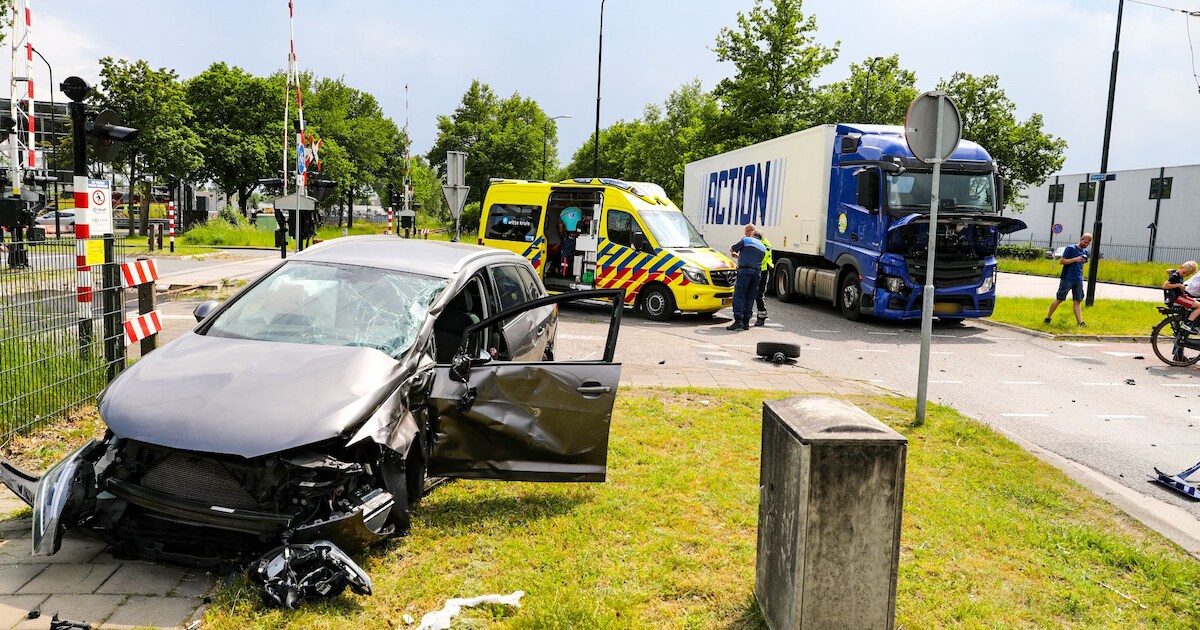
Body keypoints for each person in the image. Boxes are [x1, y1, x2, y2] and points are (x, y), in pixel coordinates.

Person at [1044, 233, 1092, 327]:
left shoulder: (1085, 252)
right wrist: (1075, 259)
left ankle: (1080, 322)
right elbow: (1062, 261)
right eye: (1085, 242)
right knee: (1059, 299)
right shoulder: (1071, 248)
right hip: (1067, 278)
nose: (1085, 244)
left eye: (1088, 243)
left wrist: (1081, 275)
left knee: (1077, 301)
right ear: (1081, 239)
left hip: (1078, 279)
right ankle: (1048, 317)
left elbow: (1081, 265)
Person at [727, 224, 767, 331]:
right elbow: (752, 257)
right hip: (756, 273)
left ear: (752, 234)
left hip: (745, 271)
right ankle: (746, 322)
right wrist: (740, 257)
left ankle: (738, 320)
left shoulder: (746, 240)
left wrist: (732, 251)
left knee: (739, 295)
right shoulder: (763, 248)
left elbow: (733, 248)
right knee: (750, 296)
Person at [1163, 260, 1200, 334]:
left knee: (1191, 306)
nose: (1184, 275)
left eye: (1187, 275)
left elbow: (1168, 271)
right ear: (1181, 267)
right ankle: (1188, 324)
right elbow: (1165, 285)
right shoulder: (1175, 276)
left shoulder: (1177, 274)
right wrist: (1178, 285)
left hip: (1179, 296)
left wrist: (1173, 271)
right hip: (1179, 298)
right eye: (1184, 273)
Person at [753, 229, 773, 326]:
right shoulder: (764, 242)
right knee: (759, 294)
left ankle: (761, 317)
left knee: (759, 294)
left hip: (761, 270)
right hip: (761, 270)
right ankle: (761, 316)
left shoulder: (760, 244)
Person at [558, 205, 583, 276]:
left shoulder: (562, 214)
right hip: (580, 235)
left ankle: (563, 272)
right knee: (579, 252)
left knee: (565, 253)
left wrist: (562, 238)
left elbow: (560, 228)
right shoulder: (578, 209)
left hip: (571, 235)